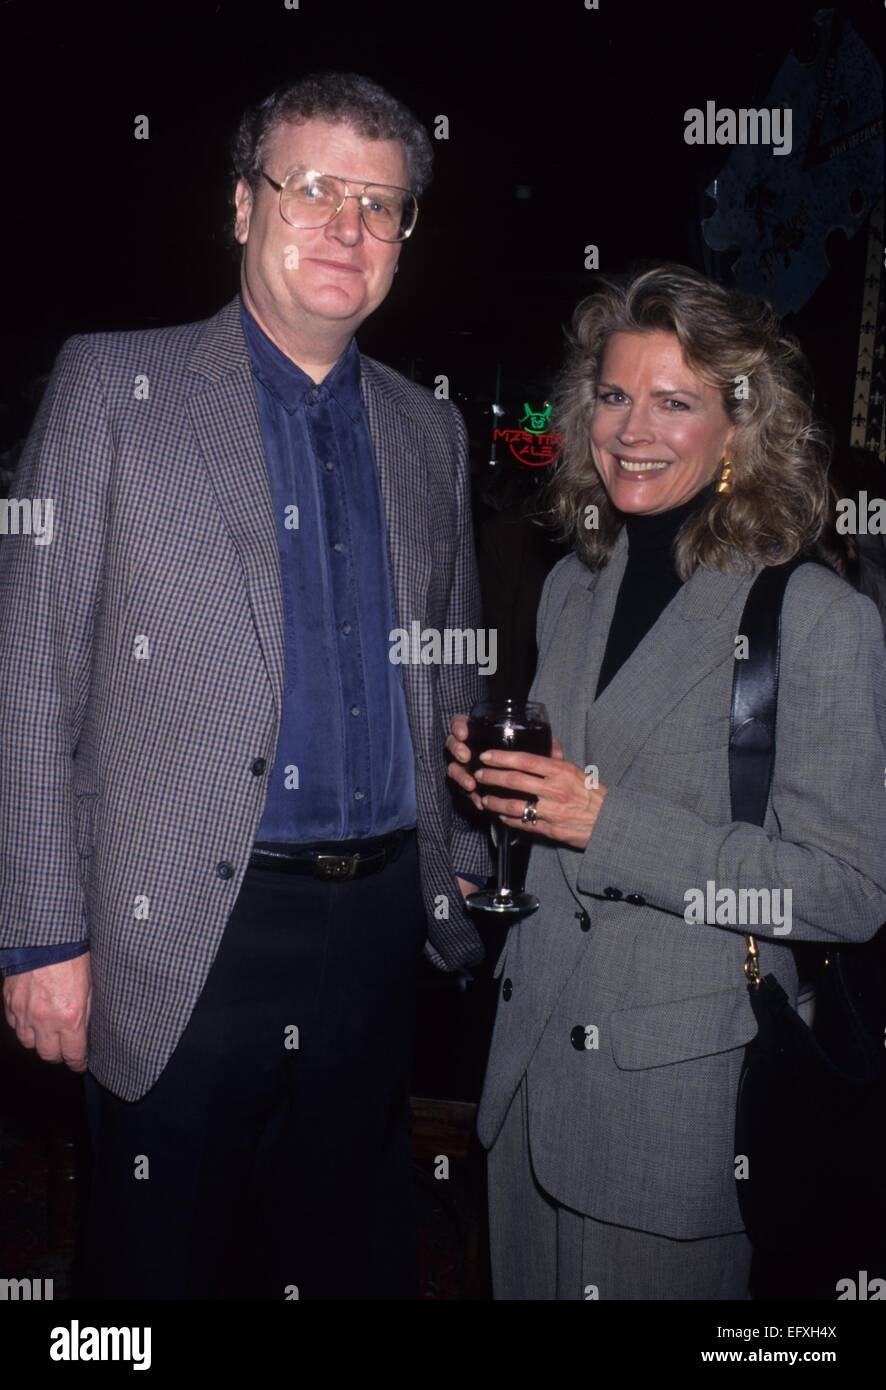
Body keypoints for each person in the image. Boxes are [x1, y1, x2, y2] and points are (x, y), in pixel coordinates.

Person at [0, 70, 490, 1300]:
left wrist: (467, 852)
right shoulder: (115, 387)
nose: (348, 228)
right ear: (240, 206)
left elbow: (453, 669)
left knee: (343, 1255)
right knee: (151, 1272)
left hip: (377, 926)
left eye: (381, 205)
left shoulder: (430, 430)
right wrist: (43, 932)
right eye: (314, 189)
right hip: (182, 933)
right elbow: (29, 677)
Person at [447, 264, 886, 1300]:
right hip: (523, 1088)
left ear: (738, 428)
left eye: (673, 402)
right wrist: (497, 830)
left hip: (674, 1124)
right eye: (612, 396)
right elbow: (563, 801)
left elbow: (844, 892)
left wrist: (602, 821)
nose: (631, 429)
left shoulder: (815, 616)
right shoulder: (572, 583)